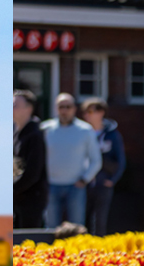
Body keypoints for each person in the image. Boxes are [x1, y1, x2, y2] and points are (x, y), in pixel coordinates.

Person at [43, 93, 100, 228]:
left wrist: (85, 179)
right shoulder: (45, 129)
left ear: (74, 108)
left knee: (77, 228)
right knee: (50, 227)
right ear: (56, 108)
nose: (64, 110)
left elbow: (96, 160)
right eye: (61, 107)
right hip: (51, 185)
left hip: (76, 187)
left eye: (68, 107)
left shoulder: (85, 130)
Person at [80, 97, 125, 236]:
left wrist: (112, 180)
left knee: (100, 220)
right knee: (82, 219)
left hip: (103, 183)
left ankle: (98, 247)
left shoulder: (112, 135)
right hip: (84, 183)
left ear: (101, 113)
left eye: (90, 112)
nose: (87, 116)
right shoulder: (82, 133)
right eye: (85, 112)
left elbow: (121, 160)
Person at [14, 90, 49, 229]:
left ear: (29, 109)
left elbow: (33, 173)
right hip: (17, 199)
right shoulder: (16, 133)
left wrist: (12, 190)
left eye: (15, 105)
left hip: (31, 200)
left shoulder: (35, 135)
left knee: (28, 239)